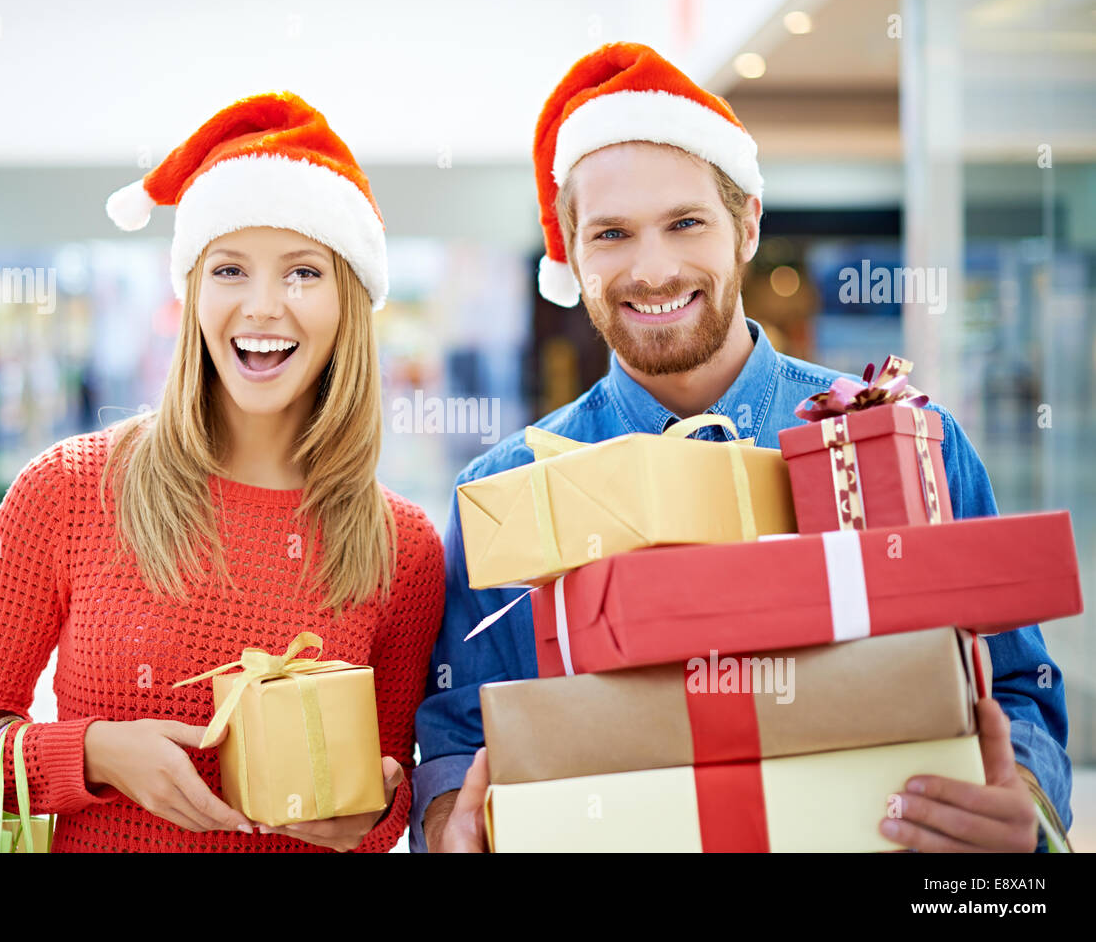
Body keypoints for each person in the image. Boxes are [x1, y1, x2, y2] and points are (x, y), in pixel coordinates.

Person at [412, 43, 1071, 854]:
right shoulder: (504, 491)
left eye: (685, 223)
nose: (653, 270)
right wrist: (450, 830)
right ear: (570, 256)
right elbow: (454, 734)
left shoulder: (903, 440)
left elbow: (1017, 687)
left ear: (747, 223)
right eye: (611, 233)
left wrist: (1025, 810)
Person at [0, 92, 445, 852]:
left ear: (349, 301)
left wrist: (364, 818)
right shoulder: (68, 489)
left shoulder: (403, 546)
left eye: (303, 272)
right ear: (194, 293)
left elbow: (392, 794)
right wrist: (96, 752)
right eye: (231, 269)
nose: (263, 307)